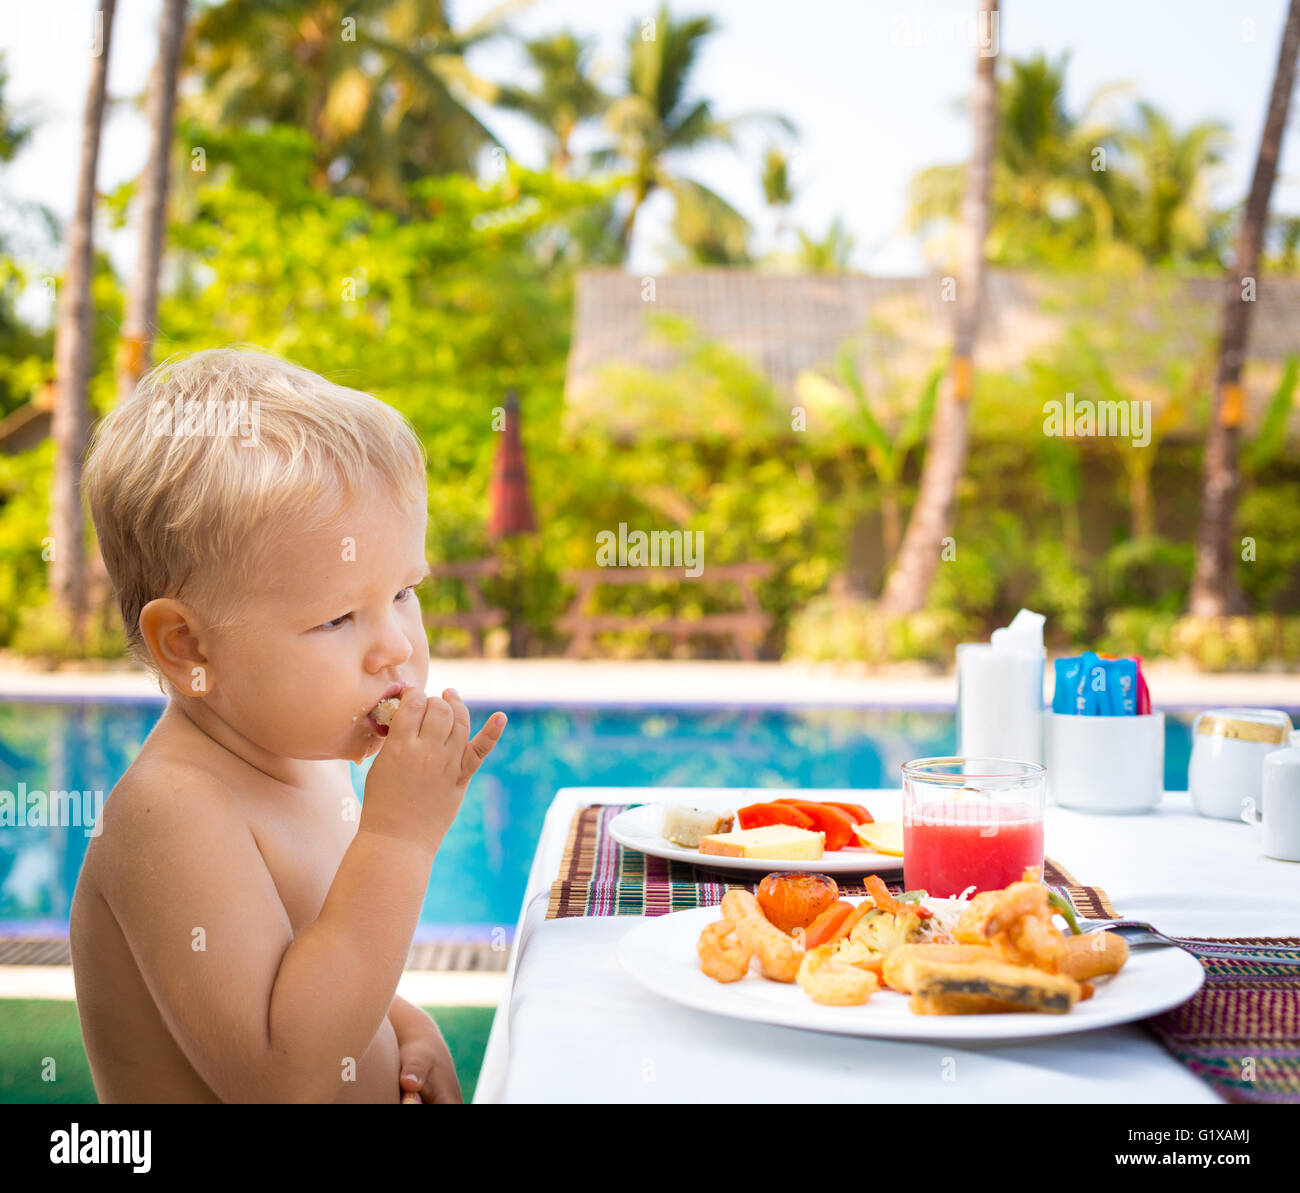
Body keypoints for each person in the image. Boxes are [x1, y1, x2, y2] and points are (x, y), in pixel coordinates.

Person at [71, 347, 506, 1103]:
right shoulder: (172, 813)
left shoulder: (308, 758)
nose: (397, 645)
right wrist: (399, 839)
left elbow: (299, 963)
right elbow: (282, 1073)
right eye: (337, 616)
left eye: (404, 592)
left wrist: (403, 1024)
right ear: (190, 647)